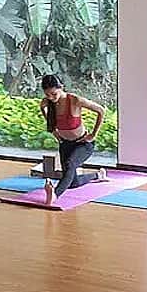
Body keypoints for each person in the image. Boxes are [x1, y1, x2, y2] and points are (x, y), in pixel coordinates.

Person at [39, 74, 108, 206]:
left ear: (61, 88)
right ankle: (98, 175)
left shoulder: (75, 100)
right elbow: (42, 108)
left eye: (54, 94)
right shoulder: (47, 102)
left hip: (83, 144)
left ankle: (55, 195)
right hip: (65, 144)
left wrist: (93, 134)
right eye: (48, 95)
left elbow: (101, 111)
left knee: (70, 165)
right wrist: (53, 130)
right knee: (72, 182)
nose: (51, 98)